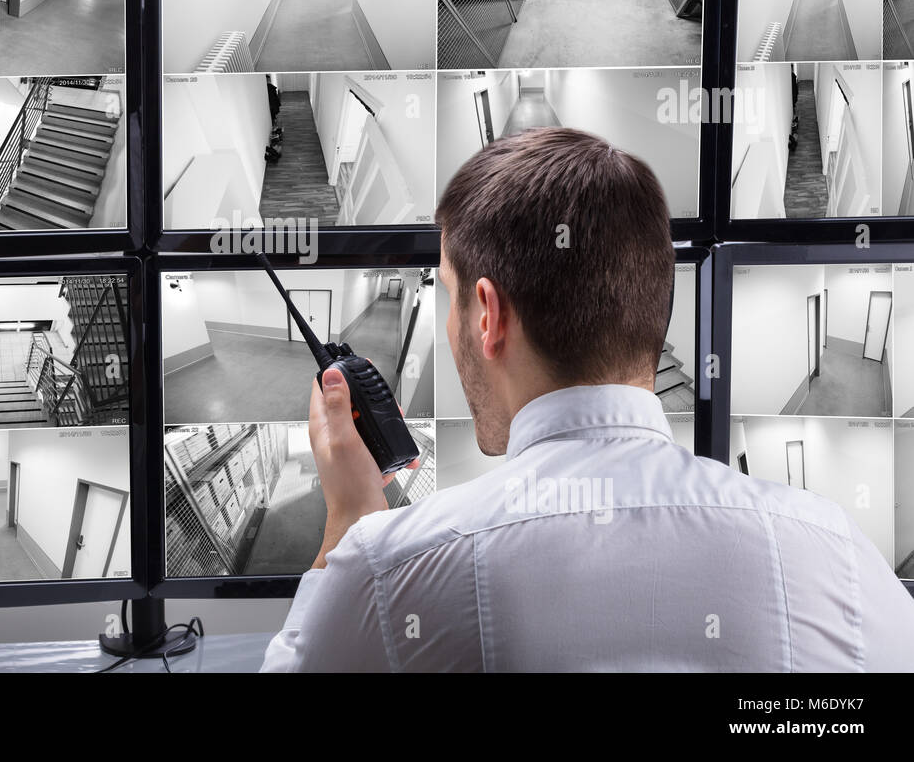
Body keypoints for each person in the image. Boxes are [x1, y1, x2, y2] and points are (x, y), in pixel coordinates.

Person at [261, 128, 914, 672]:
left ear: (486, 315)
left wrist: (348, 524)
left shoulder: (388, 569)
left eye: (452, 295)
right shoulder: (834, 550)